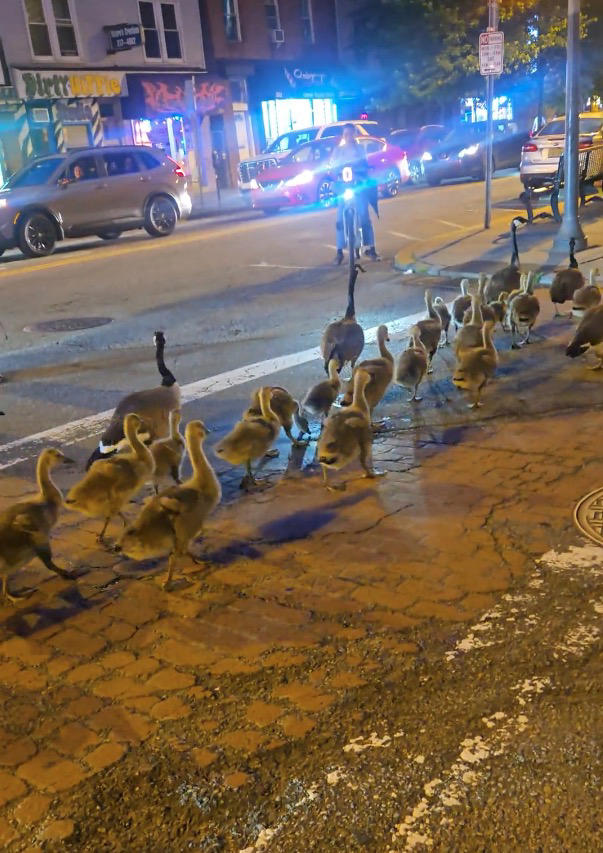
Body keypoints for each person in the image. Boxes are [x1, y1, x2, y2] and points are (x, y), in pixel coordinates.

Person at [330, 123, 379, 264]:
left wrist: (364, 167)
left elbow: (365, 164)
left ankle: (371, 248)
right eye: (346, 134)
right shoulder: (338, 151)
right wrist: (334, 171)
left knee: (364, 215)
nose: (349, 137)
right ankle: (339, 252)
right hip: (343, 187)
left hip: (358, 186)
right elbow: (333, 167)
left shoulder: (360, 149)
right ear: (343, 136)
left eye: (351, 134)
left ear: (355, 135)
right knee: (339, 219)